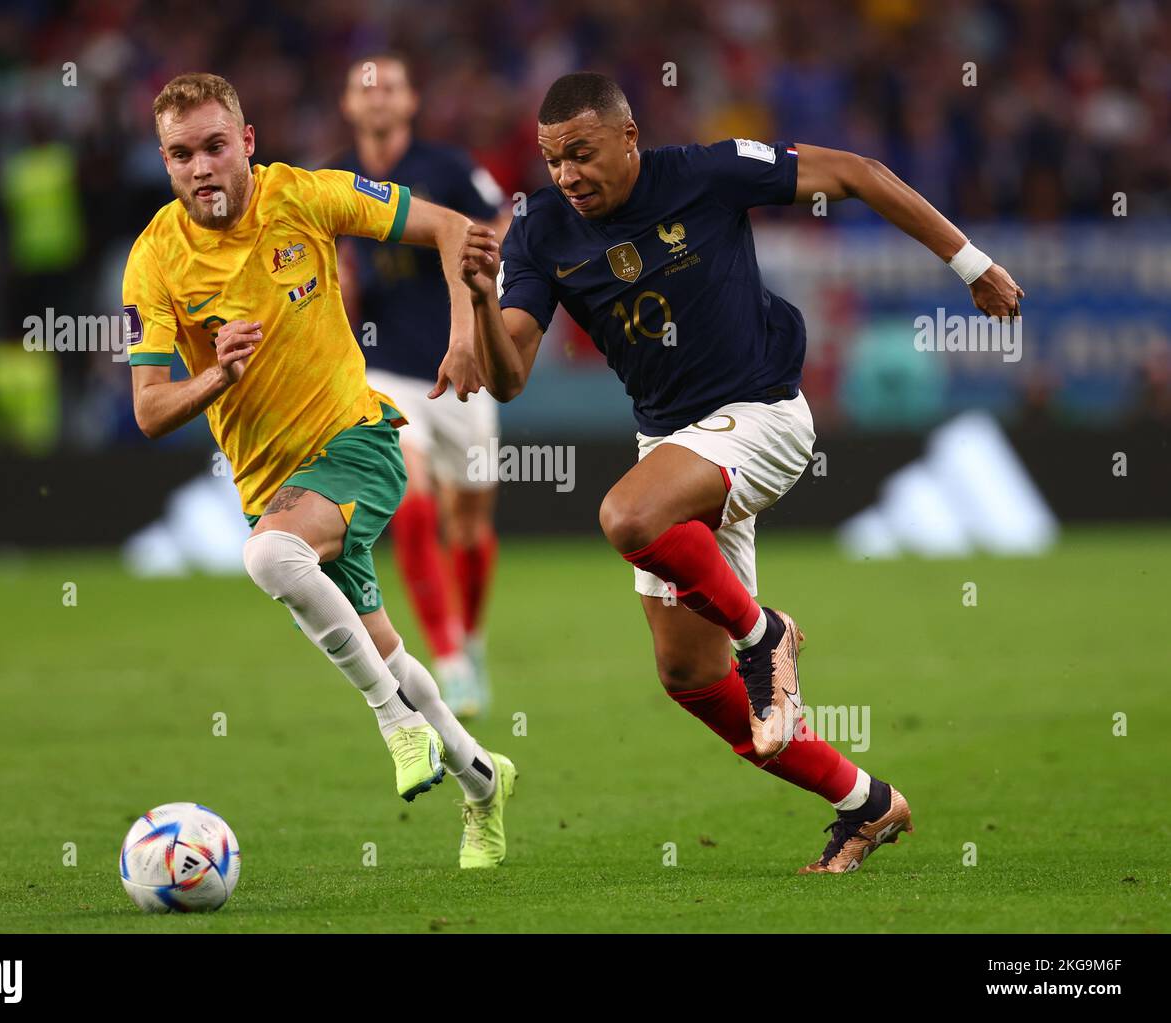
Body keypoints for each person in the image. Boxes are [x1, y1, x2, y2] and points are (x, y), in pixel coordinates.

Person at [458, 72, 1024, 874]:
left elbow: (856, 174)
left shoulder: (704, 172)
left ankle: (766, 634)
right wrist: (481, 301)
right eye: (554, 161)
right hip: (675, 447)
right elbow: (509, 375)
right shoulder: (541, 229)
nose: (568, 176)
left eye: (582, 154)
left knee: (627, 519)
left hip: (763, 416)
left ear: (629, 137)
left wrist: (970, 262)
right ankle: (865, 802)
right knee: (689, 674)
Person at [124, 72, 515, 868]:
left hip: (356, 442)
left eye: (214, 146)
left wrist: (465, 330)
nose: (201, 167)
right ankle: (483, 781)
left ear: (248, 144)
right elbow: (150, 408)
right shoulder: (154, 260)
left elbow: (450, 228)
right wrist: (216, 378)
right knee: (387, 648)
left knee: (270, 556)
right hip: (275, 485)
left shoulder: (307, 196)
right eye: (181, 154)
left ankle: (393, 721)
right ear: (165, 163)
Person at [333, 54, 511, 717]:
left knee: (469, 521)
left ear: (411, 103)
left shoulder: (446, 168)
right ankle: (448, 656)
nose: (378, 100)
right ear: (348, 104)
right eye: (365, 89)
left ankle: (471, 635)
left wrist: (475, 279)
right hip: (380, 370)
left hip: (461, 366)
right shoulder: (331, 179)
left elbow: (496, 222)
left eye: (391, 89)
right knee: (409, 504)